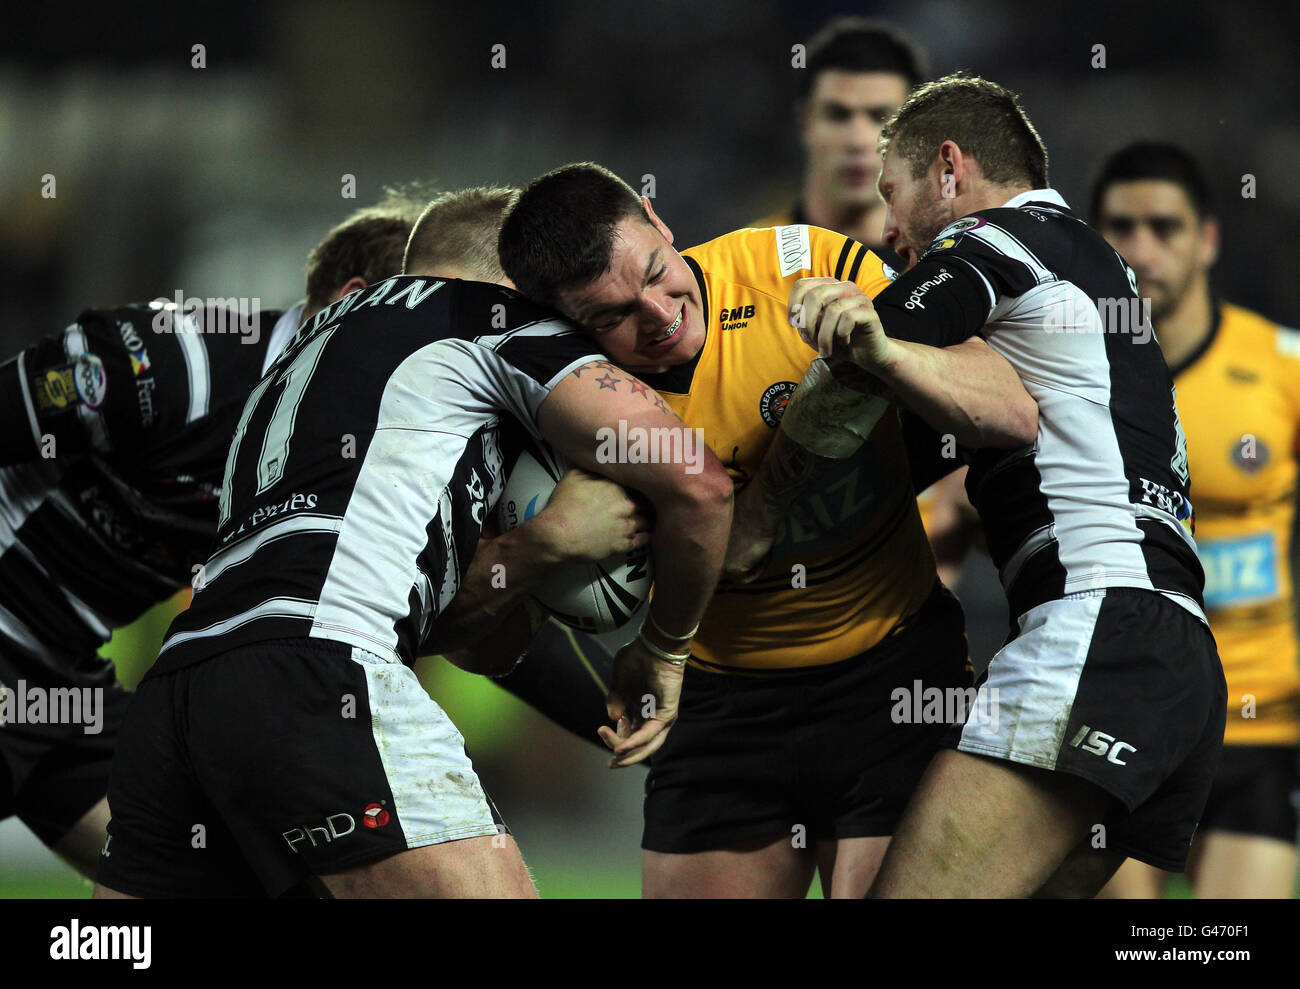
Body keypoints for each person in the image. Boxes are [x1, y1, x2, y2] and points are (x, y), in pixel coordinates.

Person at [91, 187, 733, 899]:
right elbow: (698, 483)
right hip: (320, 670)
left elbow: (459, 635)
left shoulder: (304, 366)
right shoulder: (487, 318)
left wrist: (537, 548)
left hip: (179, 692)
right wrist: (666, 650)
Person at [498, 162, 1036, 897]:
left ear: (660, 222)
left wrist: (887, 351)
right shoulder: (556, 398)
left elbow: (1009, 403)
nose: (657, 313)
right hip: (722, 708)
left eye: (658, 273)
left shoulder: (808, 266)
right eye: (613, 314)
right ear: (567, 326)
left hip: (893, 675)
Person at [795, 73, 1226, 897]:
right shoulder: (1090, 275)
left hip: (1095, 628)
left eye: (895, 194)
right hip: (1176, 654)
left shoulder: (999, 237)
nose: (889, 230)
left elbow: (864, 355)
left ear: (950, 170)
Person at [0, 193, 423, 879]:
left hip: (59, 680)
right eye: (425, 328)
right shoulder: (176, 362)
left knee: (219, 880)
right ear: (351, 303)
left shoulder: (335, 453)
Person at [1091, 142, 1300, 899]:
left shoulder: (1282, 368)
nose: (1142, 249)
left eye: (1164, 227)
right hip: (1120, 716)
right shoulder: (1061, 379)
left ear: (1206, 238)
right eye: (1120, 226)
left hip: (1259, 718)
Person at [753, 16, 926, 254]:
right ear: (805, 122)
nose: (858, 140)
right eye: (838, 115)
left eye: (880, 117)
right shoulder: (742, 264)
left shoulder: (959, 271)